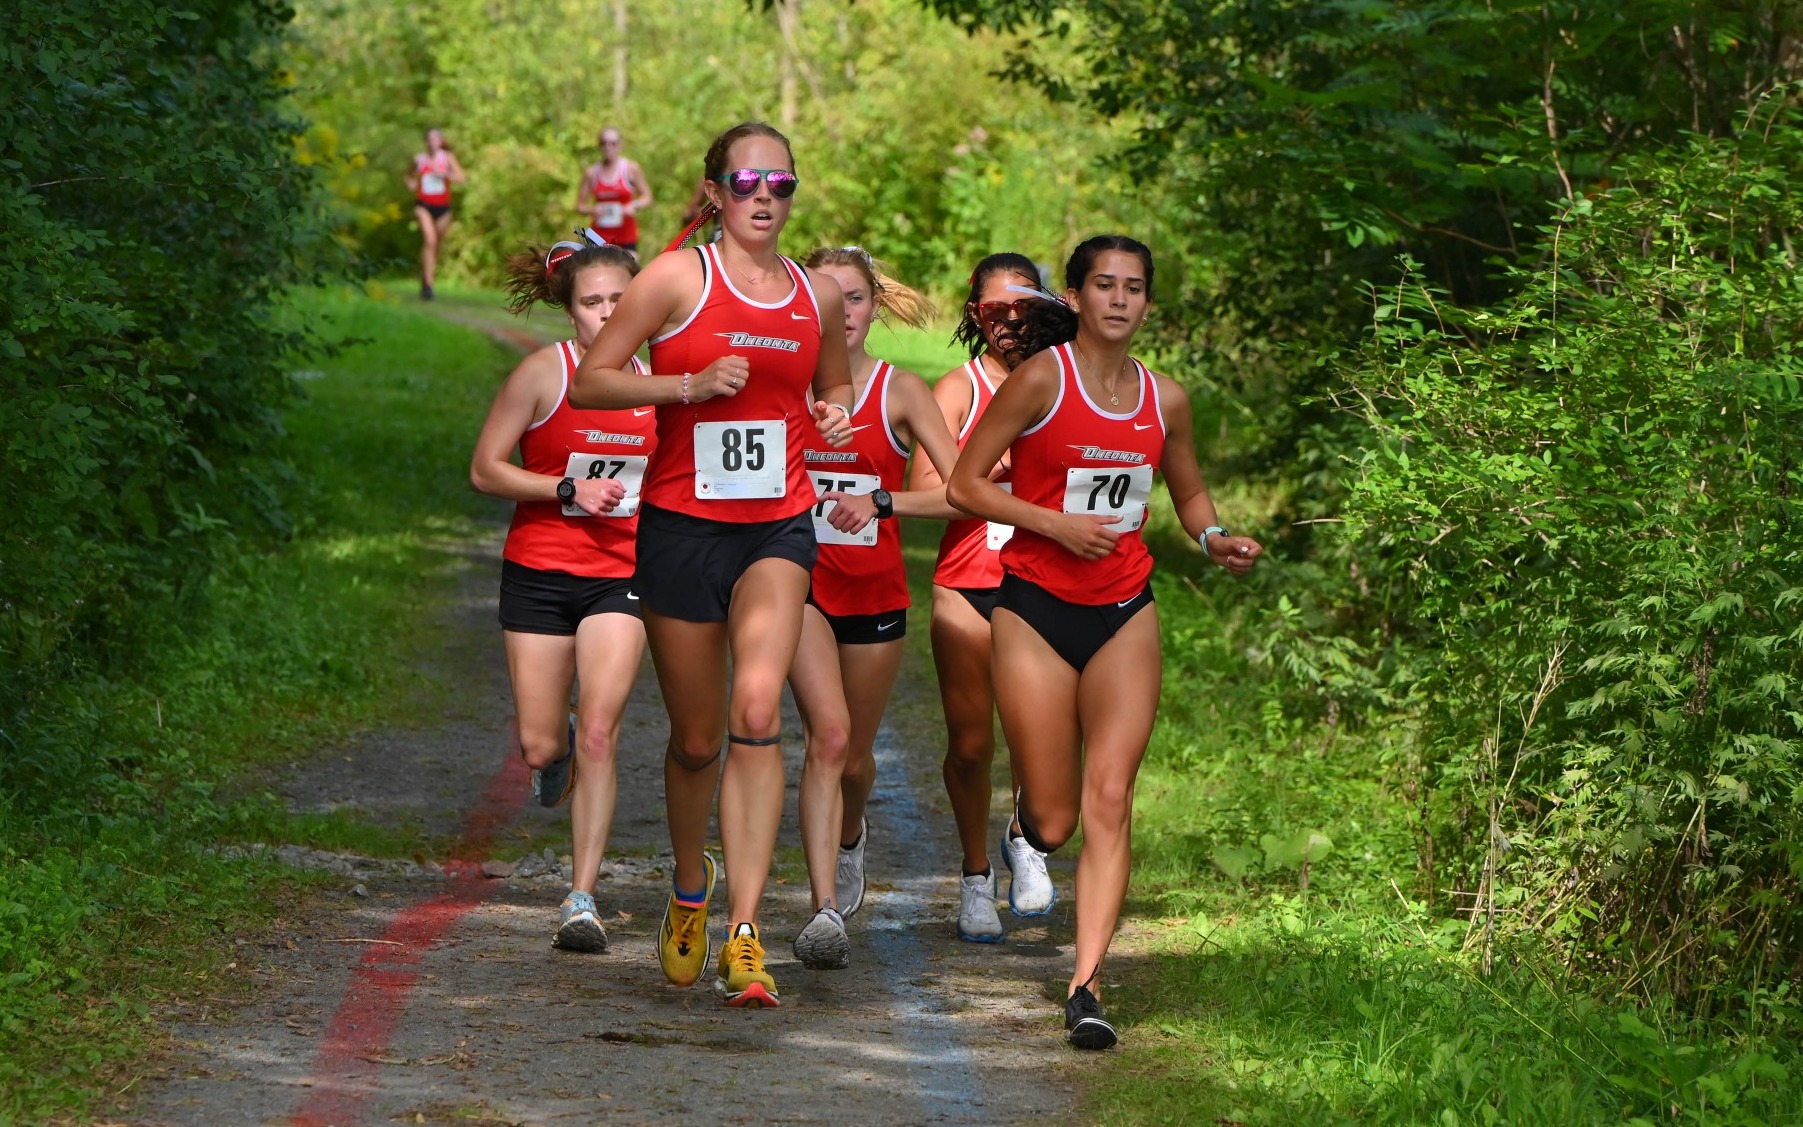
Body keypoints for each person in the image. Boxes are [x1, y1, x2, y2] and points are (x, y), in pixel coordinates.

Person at [946, 235, 1263, 1049]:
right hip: (1032, 606)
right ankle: (1027, 831)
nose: (1119, 299)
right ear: (1078, 298)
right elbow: (965, 482)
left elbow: (1187, 491)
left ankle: (1085, 984)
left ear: (1146, 304)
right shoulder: (1038, 381)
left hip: (1125, 607)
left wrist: (1214, 536)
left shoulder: (1167, 400)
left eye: (1133, 288)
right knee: (1056, 817)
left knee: (1111, 798)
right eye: (1104, 286)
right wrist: (1053, 522)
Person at [568, 122, 854, 1009]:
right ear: (714, 192)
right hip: (681, 525)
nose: (763, 196)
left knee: (758, 709)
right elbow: (591, 381)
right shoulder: (674, 278)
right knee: (696, 738)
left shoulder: (812, 295)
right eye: (745, 181)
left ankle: (744, 930)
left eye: (780, 182)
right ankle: (688, 888)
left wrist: (835, 415)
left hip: (776, 528)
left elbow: (833, 383)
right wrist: (683, 389)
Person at [469, 233, 654, 953]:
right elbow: (485, 469)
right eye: (592, 301)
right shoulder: (545, 375)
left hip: (624, 574)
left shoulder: (659, 380)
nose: (607, 312)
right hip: (541, 570)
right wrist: (568, 487)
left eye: (619, 299)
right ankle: (556, 752)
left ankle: (582, 896)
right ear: (569, 309)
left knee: (603, 727)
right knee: (541, 741)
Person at [784, 247, 961, 969]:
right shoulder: (784, 385)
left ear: (873, 305)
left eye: (854, 298)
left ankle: (850, 833)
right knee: (825, 740)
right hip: (794, 585)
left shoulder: (900, 392)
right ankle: (824, 908)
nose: (843, 313)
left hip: (873, 592)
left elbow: (962, 490)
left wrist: (881, 498)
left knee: (854, 754)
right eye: (829, 299)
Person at [907, 253, 1075, 944]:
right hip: (969, 583)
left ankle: (1023, 836)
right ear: (973, 316)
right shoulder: (958, 388)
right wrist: (989, 466)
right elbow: (927, 493)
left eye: (1020, 310)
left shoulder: (1069, 382)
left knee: (1046, 746)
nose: (1008, 324)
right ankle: (975, 877)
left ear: (1043, 308)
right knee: (972, 745)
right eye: (991, 312)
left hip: (1049, 584)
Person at [576, 126, 654, 257]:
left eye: (613, 143)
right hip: (599, 237)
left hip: (626, 236)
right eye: (604, 143)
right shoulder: (591, 173)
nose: (608, 147)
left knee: (631, 272)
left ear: (620, 145)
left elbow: (647, 197)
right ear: (599, 146)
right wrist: (593, 210)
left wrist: (633, 206)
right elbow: (579, 206)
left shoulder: (631, 169)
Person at [407, 127, 465, 300]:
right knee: (430, 240)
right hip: (423, 206)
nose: (432, 142)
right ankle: (428, 286)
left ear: (440, 141)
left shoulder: (447, 158)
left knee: (435, 246)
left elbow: (461, 178)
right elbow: (407, 175)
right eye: (429, 139)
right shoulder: (419, 159)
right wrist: (410, 183)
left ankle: (426, 273)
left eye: (435, 139)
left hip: (443, 208)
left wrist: (444, 174)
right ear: (426, 141)